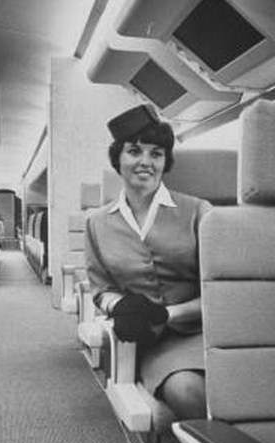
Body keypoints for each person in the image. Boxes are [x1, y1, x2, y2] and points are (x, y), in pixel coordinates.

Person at [85, 104, 211, 422]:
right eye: (134, 151)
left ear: (166, 161)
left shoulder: (199, 211)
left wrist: (169, 313)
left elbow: (223, 288)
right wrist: (122, 306)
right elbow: (101, 289)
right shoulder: (97, 223)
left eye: (156, 153)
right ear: (118, 159)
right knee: (188, 391)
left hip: (208, 330)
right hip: (152, 342)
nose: (145, 162)